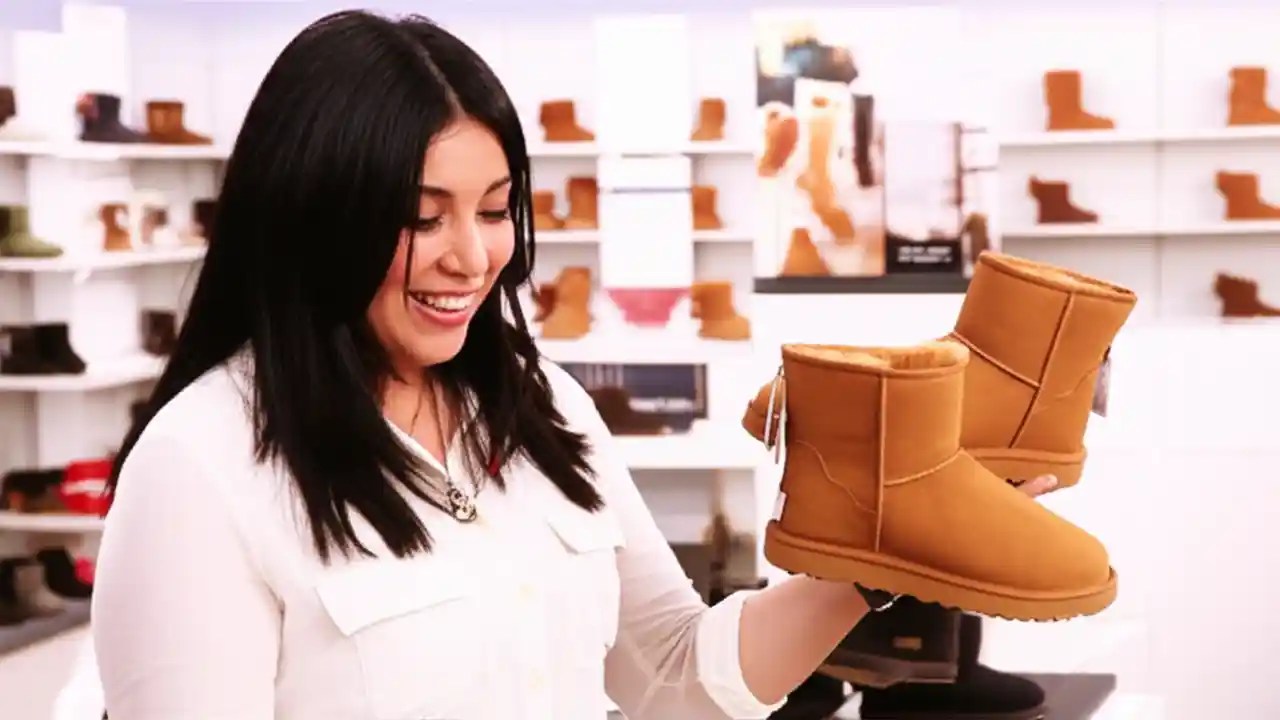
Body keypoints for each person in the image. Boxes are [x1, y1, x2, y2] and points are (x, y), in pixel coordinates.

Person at [90, 10, 1058, 720]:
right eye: (422, 217)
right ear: (313, 217)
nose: (470, 257)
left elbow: (674, 674)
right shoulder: (200, 469)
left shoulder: (538, 405)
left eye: (495, 206)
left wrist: (879, 553)